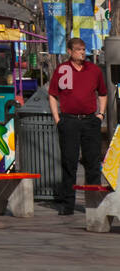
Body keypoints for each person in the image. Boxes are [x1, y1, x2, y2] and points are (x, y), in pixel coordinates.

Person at [48, 37, 107, 215]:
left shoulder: (94, 70)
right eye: (79, 49)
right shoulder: (62, 70)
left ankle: (95, 203)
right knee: (69, 162)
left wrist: (100, 115)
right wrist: (58, 119)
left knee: (93, 163)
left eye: (84, 49)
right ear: (70, 51)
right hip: (69, 121)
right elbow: (52, 95)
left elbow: (102, 94)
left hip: (90, 121)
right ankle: (68, 205)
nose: (83, 52)